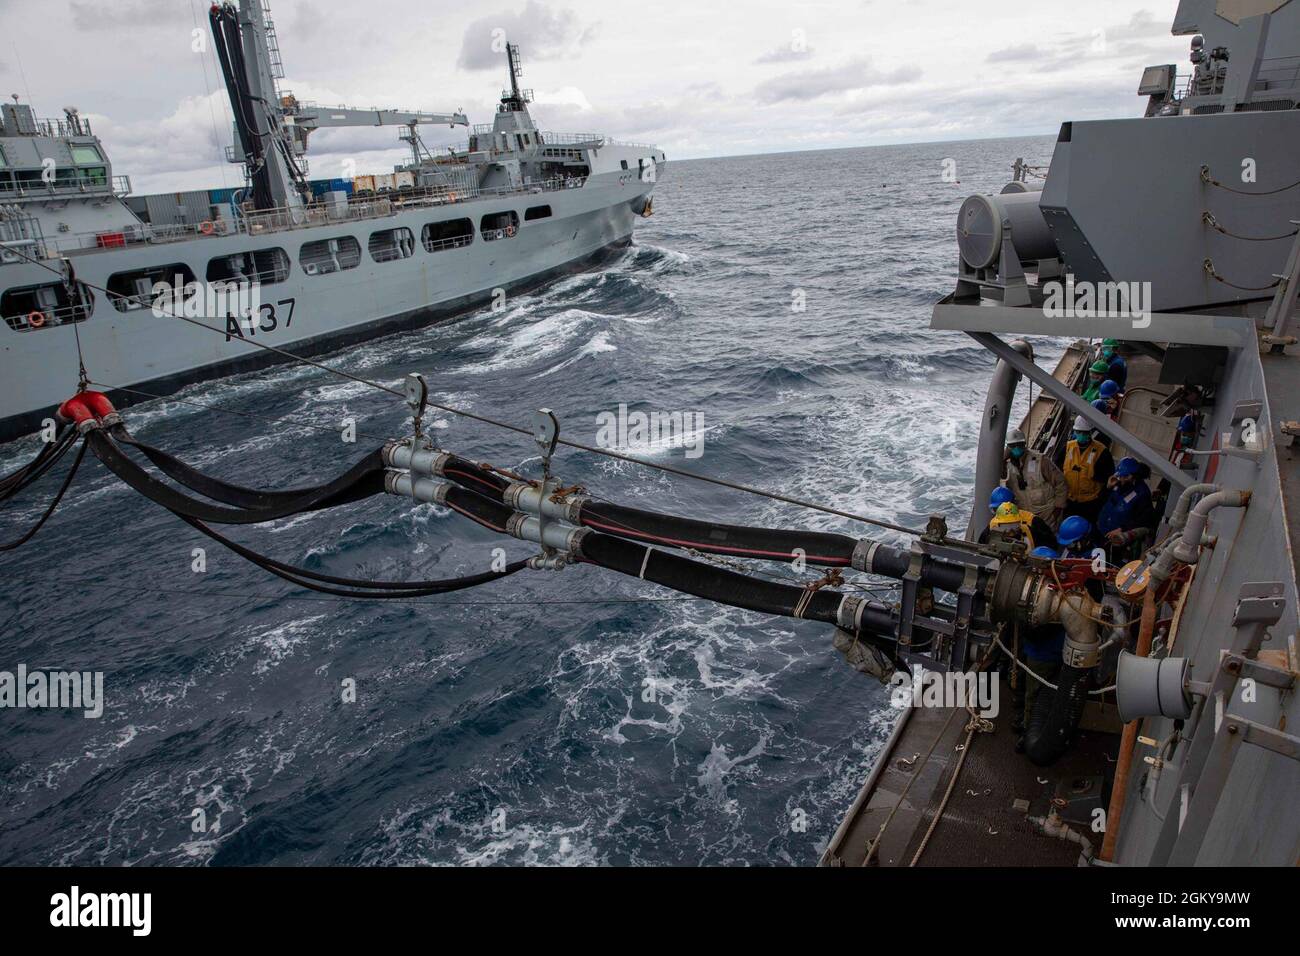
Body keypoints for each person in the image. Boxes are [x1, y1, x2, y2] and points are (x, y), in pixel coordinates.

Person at [1003, 427, 1067, 530]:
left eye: (1019, 445)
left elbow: (1060, 482)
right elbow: (999, 479)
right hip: (1023, 516)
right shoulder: (1006, 465)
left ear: (1024, 444)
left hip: (1046, 515)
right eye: (1013, 445)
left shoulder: (1041, 461)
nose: (1016, 448)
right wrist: (1003, 459)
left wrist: (1058, 508)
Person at [1096, 457, 1156, 562]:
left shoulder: (1142, 493)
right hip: (1103, 531)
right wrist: (1107, 487)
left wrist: (1122, 529)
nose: (1122, 479)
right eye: (1121, 476)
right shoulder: (1116, 484)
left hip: (1118, 540)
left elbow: (1145, 519)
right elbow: (1101, 500)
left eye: (1126, 476)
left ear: (1134, 476)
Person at [1063, 416, 1114, 524]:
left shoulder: (1102, 452)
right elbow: (1058, 470)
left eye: (1085, 432)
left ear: (1090, 432)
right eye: (1079, 432)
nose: (1081, 435)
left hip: (1090, 503)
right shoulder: (1068, 447)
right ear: (1075, 431)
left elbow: (1108, 480)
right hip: (1069, 500)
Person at [985, 501, 1055, 552]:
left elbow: (1051, 545)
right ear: (998, 524)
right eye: (1006, 526)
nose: (1010, 530)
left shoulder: (1030, 531)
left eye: (1014, 525)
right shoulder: (990, 531)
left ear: (1020, 522)